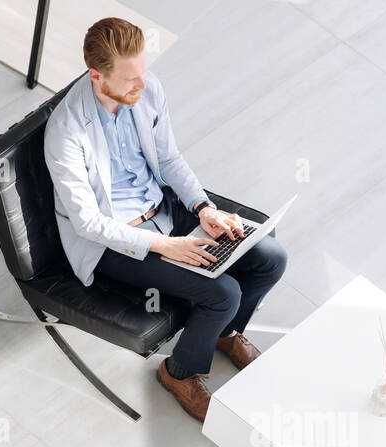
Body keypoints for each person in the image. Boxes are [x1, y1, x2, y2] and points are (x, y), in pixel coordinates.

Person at [43, 17, 289, 422]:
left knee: (271, 258)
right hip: (117, 241)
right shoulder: (67, 131)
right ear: (96, 76)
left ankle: (225, 334)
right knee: (222, 293)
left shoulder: (147, 88)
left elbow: (170, 159)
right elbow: (87, 222)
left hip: (166, 210)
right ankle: (178, 372)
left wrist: (202, 208)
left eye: (143, 72)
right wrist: (165, 246)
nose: (143, 85)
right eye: (130, 80)